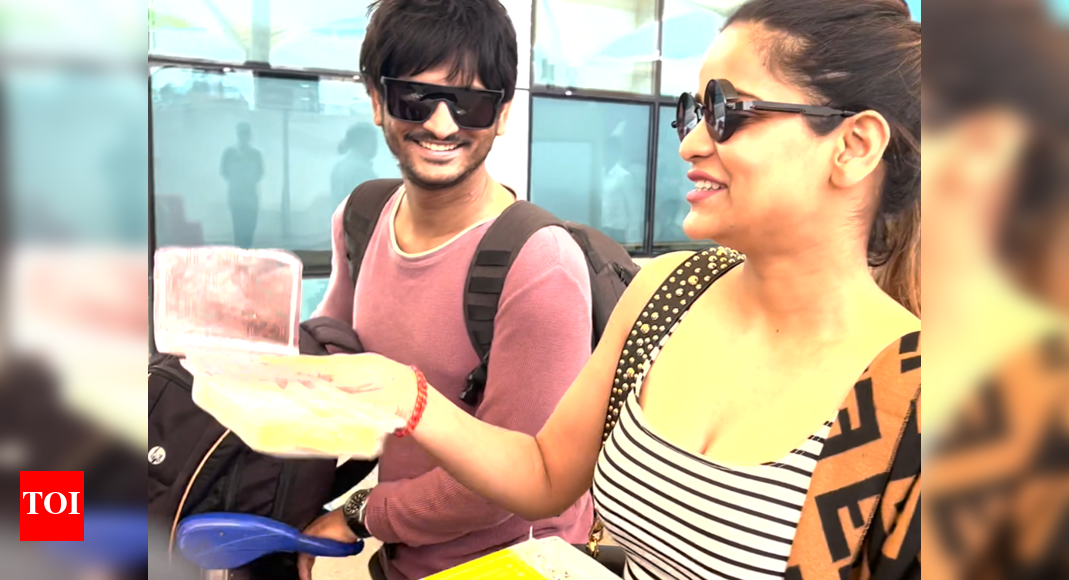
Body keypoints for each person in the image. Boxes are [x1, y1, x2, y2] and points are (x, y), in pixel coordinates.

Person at [316, 0, 923, 578]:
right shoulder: (668, 292)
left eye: (727, 112)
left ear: (854, 146)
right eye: (693, 111)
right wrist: (411, 397)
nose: (690, 143)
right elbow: (545, 472)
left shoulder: (929, 399)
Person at [298, 0, 595, 578]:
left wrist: (361, 513)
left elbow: (512, 482)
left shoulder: (540, 264)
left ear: (502, 114)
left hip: (512, 564)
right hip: (407, 555)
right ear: (377, 99)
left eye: (470, 103)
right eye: (415, 97)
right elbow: (334, 355)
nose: (441, 124)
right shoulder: (361, 216)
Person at [220, 122, 264, 248]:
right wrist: (238, 181)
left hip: (250, 195)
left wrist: (248, 182)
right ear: (238, 135)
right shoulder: (229, 153)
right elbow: (224, 172)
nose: (244, 136)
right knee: (238, 228)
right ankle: (240, 253)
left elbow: (260, 173)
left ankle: (247, 252)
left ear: (249, 136)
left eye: (246, 134)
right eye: (242, 134)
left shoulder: (256, 154)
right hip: (236, 195)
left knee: (250, 228)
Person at [330, 123, 379, 207]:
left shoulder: (340, 165)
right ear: (358, 142)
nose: (375, 146)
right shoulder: (360, 169)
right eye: (371, 141)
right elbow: (369, 202)